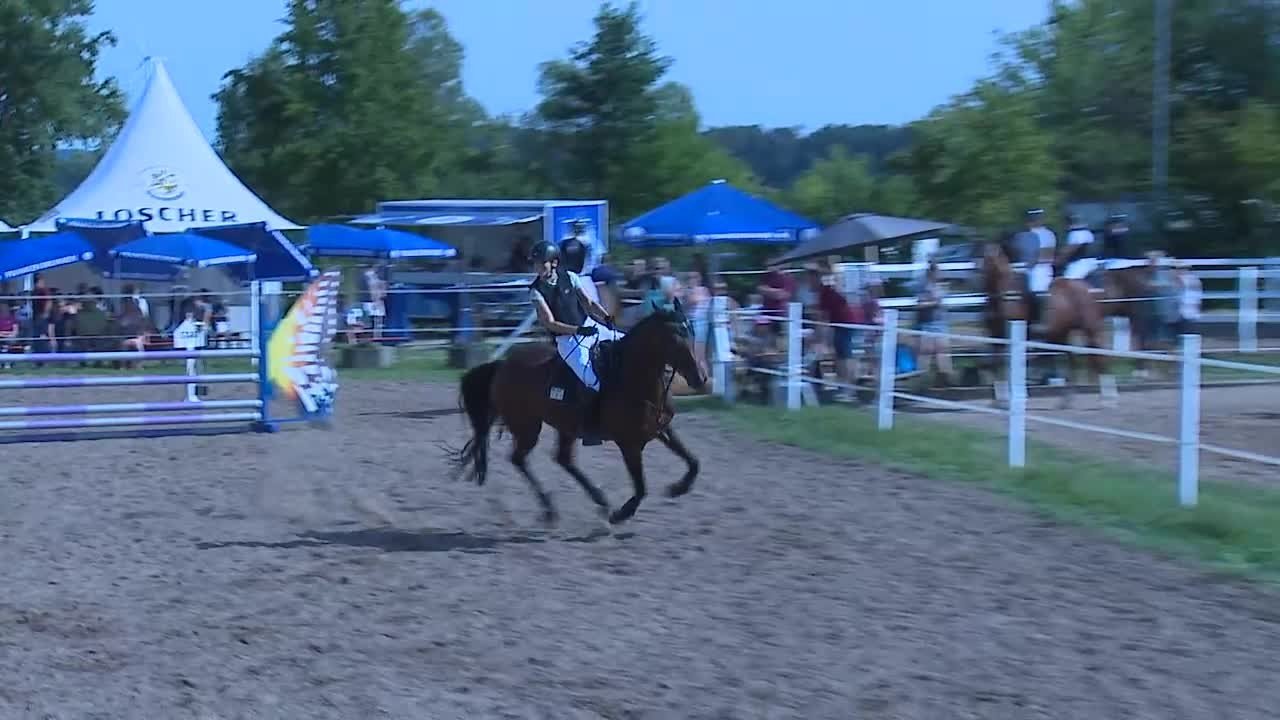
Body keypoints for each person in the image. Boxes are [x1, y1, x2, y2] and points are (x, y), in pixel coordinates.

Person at [527, 240, 622, 445]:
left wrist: (605, 317)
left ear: (554, 262)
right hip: (568, 341)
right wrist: (577, 331)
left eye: (540, 263)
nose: (537, 267)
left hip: (589, 325)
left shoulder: (570, 277)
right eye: (535, 264)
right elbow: (550, 322)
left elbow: (588, 302)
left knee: (625, 343)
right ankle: (592, 423)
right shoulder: (536, 291)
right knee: (591, 379)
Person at [1059, 211, 1098, 285]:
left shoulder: (1076, 233)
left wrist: (1059, 259)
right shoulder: (1086, 231)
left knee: (1068, 282)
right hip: (1091, 261)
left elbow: (1070, 249)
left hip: (1080, 263)